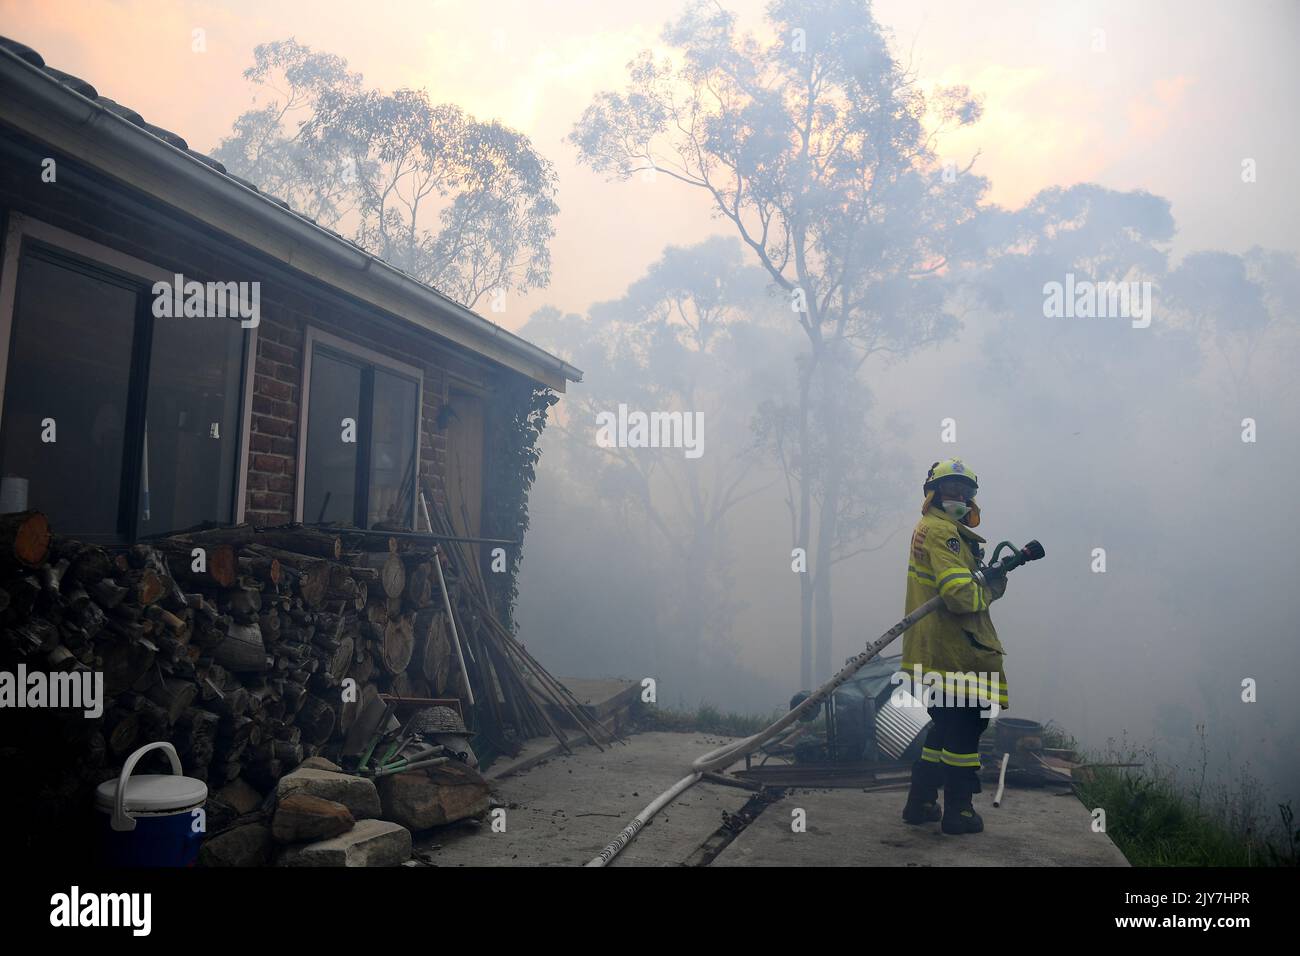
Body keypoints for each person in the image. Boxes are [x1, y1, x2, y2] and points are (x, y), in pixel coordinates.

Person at [899, 458, 1008, 835]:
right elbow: (960, 595)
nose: (960, 498)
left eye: (966, 492)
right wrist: (990, 588)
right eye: (952, 490)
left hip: (937, 648)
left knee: (944, 727)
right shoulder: (942, 533)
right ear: (933, 493)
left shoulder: (933, 529)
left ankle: (921, 802)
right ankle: (959, 812)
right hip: (956, 650)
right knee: (964, 730)